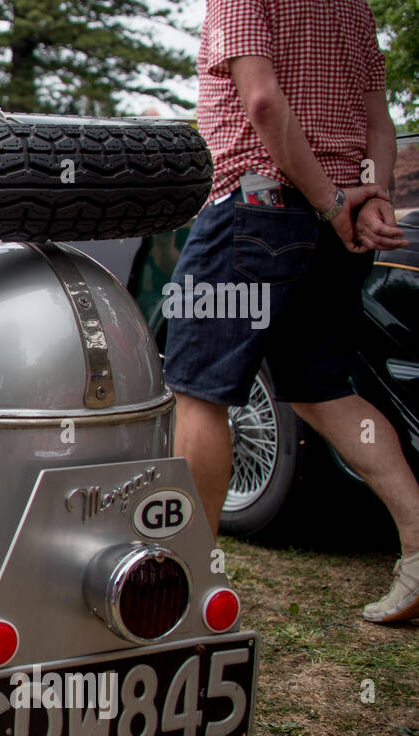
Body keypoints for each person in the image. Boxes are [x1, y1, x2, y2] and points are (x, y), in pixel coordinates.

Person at [166, 0, 413, 621]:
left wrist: (331, 204)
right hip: (340, 219)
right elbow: (379, 124)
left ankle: (182, 588)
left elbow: (264, 102)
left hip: (254, 209)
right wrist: (369, 200)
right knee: (323, 391)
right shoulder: (352, 7)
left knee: (199, 394)